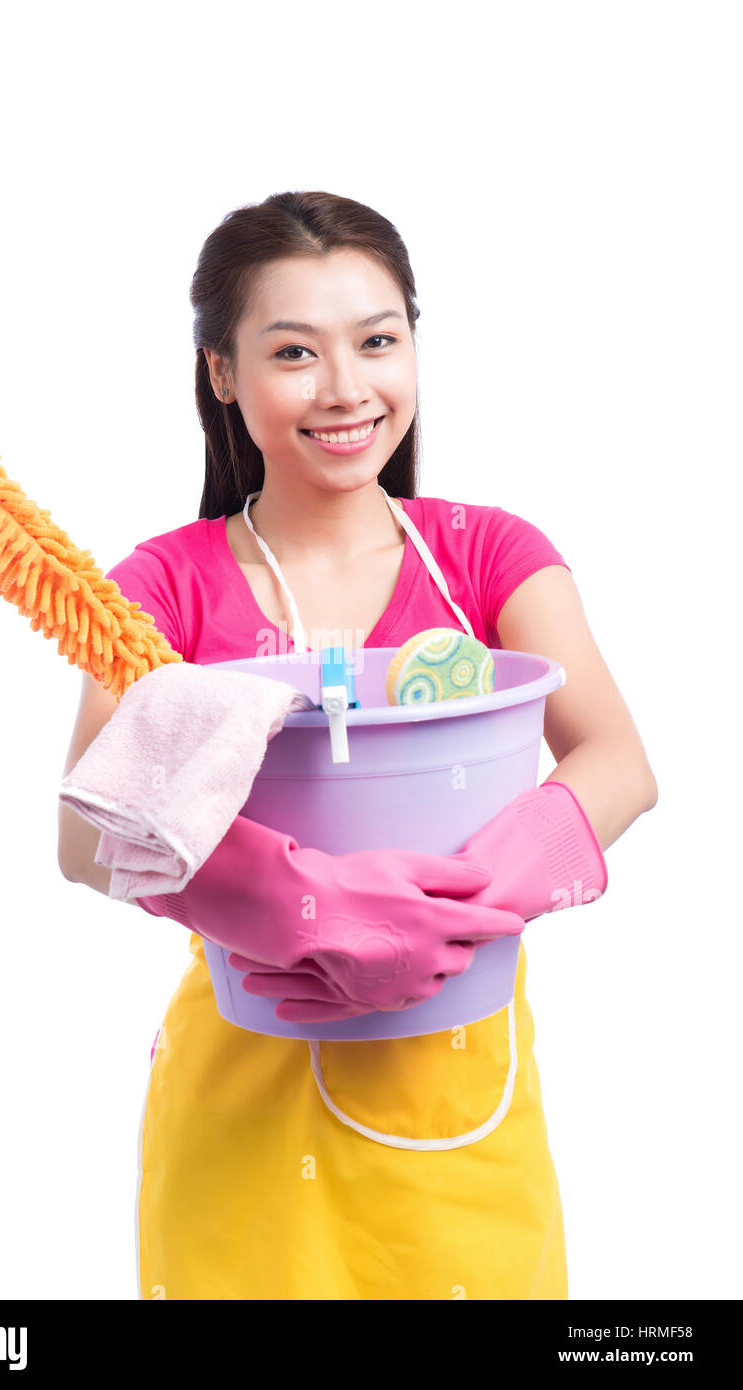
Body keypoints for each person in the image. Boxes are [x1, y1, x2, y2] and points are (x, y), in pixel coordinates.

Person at [58, 190, 658, 1300]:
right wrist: (302, 904)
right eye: (293, 351)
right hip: (245, 1097)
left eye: (378, 341)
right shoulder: (161, 589)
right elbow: (87, 834)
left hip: (457, 1082)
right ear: (222, 373)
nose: (346, 389)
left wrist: (453, 905)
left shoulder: (488, 556)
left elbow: (617, 760)